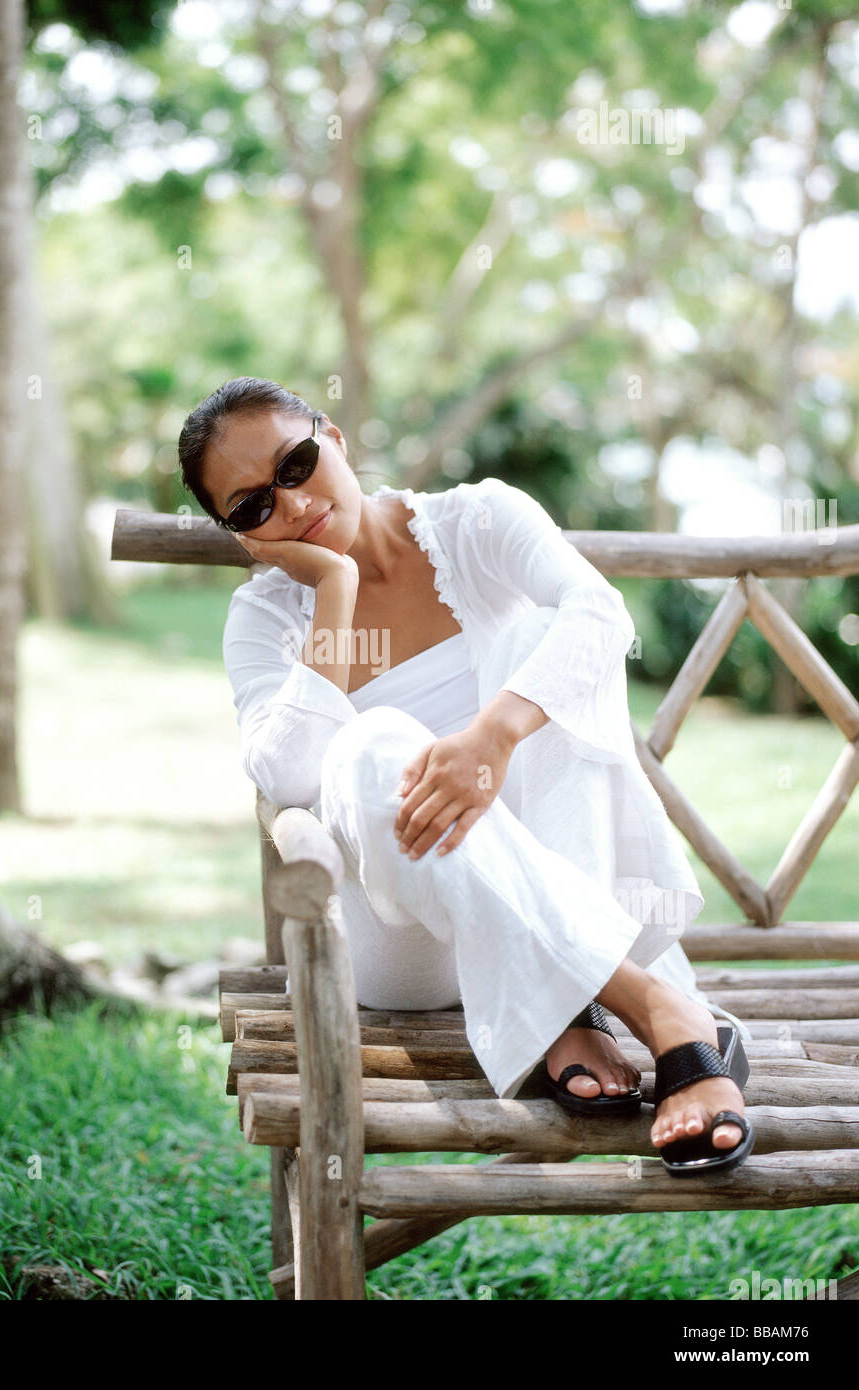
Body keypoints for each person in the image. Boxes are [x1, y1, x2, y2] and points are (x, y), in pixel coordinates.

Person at [178, 376, 753, 1175]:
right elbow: (289, 773)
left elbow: (599, 614)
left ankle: (573, 1007)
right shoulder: (267, 615)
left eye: (297, 463)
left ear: (333, 439)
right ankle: (654, 1004)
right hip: (403, 943)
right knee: (369, 742)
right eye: (252, 507)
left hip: (560, 888)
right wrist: (334, 589)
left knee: (544, 639)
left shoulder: (477, 519)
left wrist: (491, 739)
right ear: (243, 536)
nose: (292, 502)